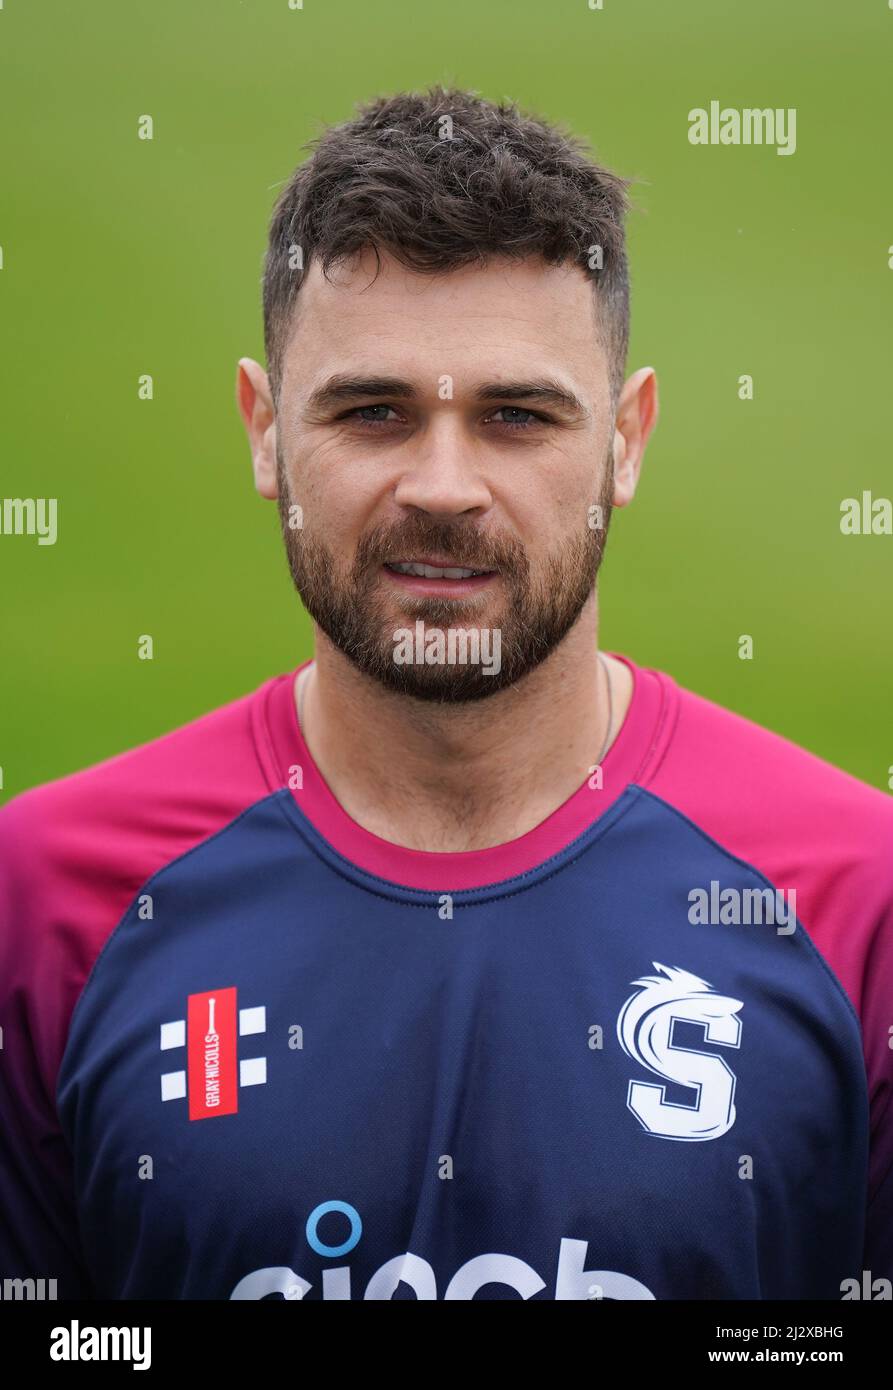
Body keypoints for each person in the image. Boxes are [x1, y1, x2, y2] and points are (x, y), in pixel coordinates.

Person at [1, 86, 890, 1301]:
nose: (443, 485)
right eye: (372, 413)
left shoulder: (851, 898)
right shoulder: (49, 896)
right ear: (264, 432)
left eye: (517, 417)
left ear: (624, 442)